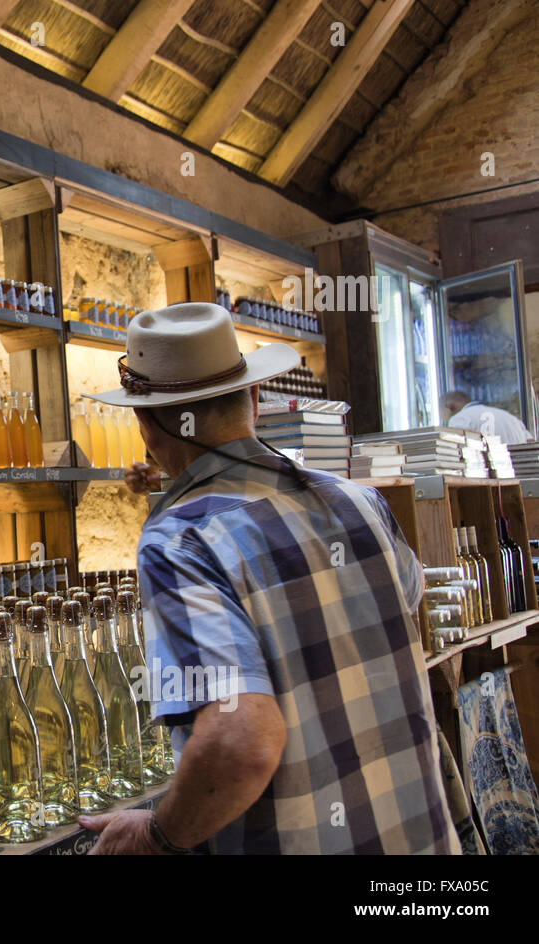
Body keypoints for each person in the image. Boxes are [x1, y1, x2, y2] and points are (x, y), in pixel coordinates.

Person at [79, 302, 458, 854]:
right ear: (253, 399)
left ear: (145, 424)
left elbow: (242, 740)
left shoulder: (178, 541)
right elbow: (405, 592)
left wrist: (157, 833)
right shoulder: (360, 501)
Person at [440, 391, 532, 444]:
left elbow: (458, 452)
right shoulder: (510, 417)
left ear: (449, 407)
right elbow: (531, 443)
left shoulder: (458, 419)